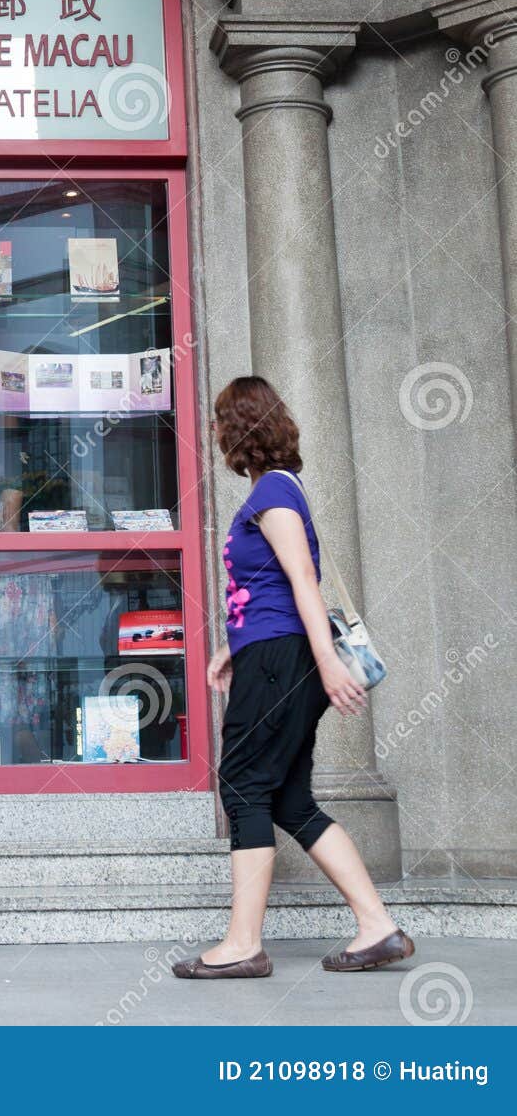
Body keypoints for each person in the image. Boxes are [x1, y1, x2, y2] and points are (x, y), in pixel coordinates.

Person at [173, 376, 414, 980]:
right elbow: (268, 589)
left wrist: (326, 662)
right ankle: (378, 927)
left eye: (219, 419)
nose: (212, 430)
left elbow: (304, 581)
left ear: (240, 427)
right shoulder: (271, 489)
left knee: (243, 784)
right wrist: (234, 645)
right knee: (290, 798)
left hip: (283, 660)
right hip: (274, 652)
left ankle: (243, 944)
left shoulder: (275, 492)